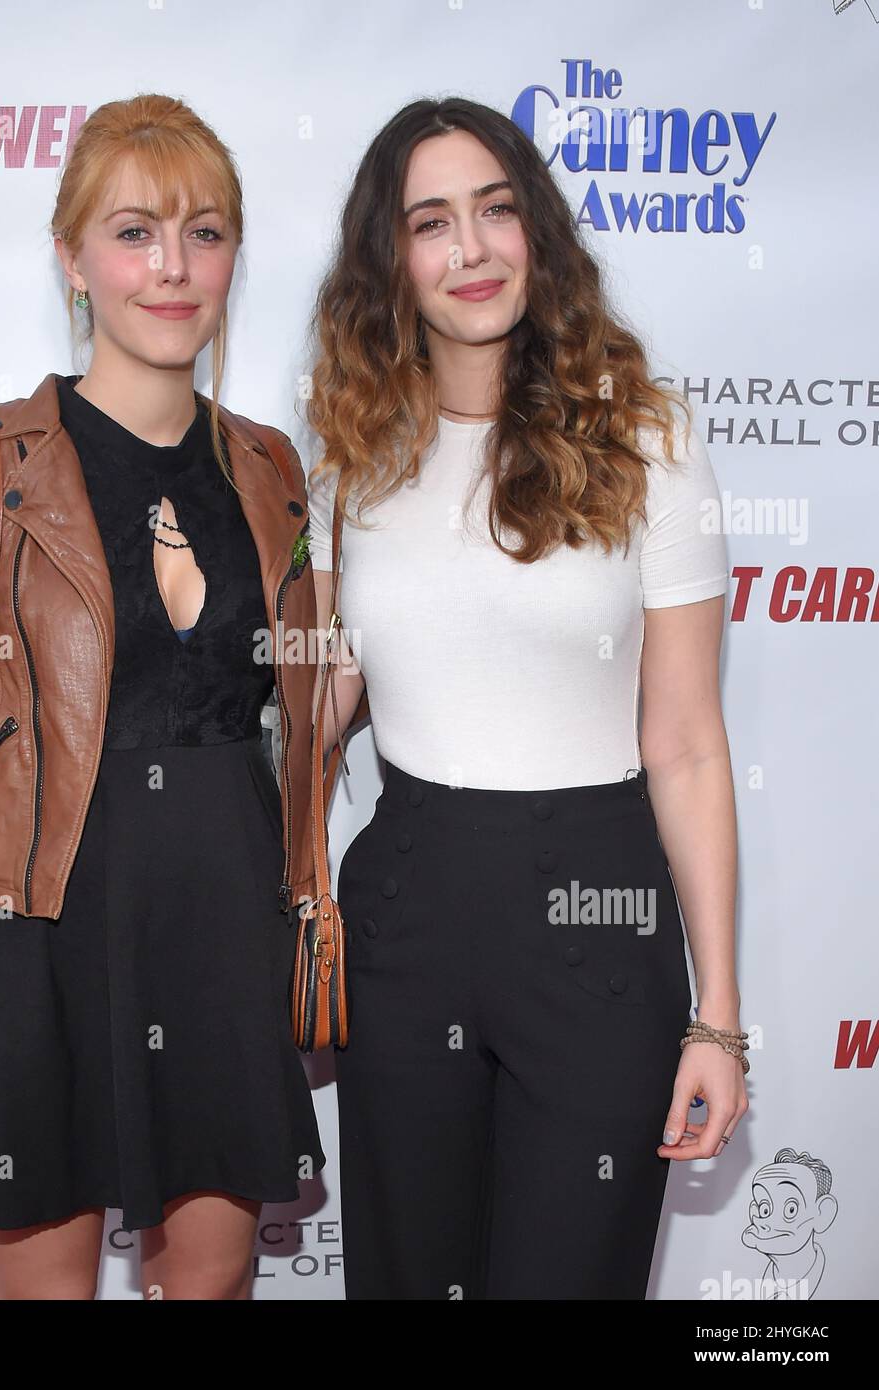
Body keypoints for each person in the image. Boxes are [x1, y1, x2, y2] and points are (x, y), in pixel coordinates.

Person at [0, 94, 324, 1300]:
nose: (171, 268)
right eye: (133, 232)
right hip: (35, 948)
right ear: (70, 258)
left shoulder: (274, 468)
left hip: (223, 937)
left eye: (204, 232)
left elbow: (316, 705)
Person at [305, 97, 748, 1299]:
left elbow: (689, 744)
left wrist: (716, 1017)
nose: (471, 249)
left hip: (598, 918)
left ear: (536, 230)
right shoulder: (351, 453)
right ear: (387, 261)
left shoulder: (646, 437)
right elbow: (325, 693)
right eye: (431, 222)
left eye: (497, 210)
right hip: (405, 914)